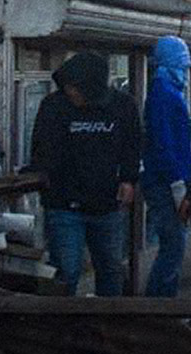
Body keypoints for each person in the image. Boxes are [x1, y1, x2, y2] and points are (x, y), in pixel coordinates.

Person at [31, 53, 141, 297]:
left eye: (76, 88)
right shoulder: (53, 107)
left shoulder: (123, 106)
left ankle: (109, 325)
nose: (71, 93)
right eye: (68, 88)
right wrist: (43, 178)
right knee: (66, 273)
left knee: (111, 270)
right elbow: (40, 150)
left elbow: (133, 146)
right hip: (63, 205)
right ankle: (65, 329)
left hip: (107, 205)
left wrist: (129, 179)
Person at [139, 36, 191, 296]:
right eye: (182, 65)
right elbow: (163, 141)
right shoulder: (163, 91)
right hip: (165, 182)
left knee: (173, 246)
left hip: (168, 178)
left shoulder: (166, 90)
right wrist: (177, 183)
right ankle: (159, 307)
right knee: (173, 247)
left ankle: (163, 306)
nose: (185, 71)